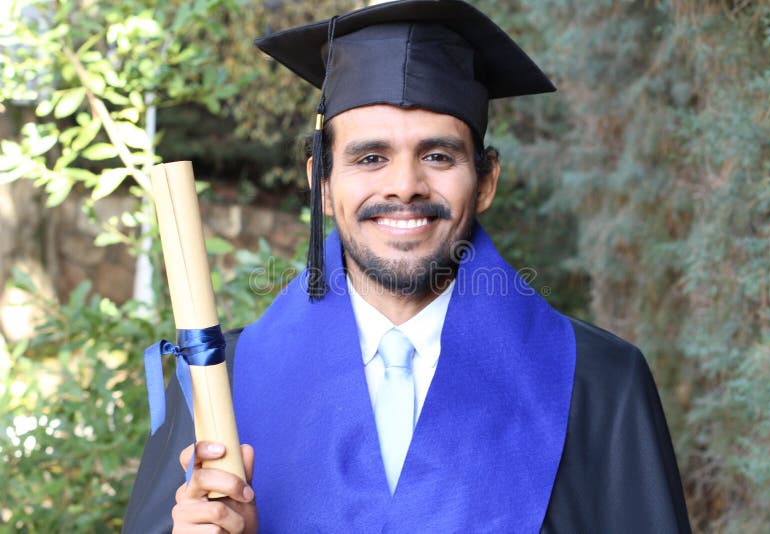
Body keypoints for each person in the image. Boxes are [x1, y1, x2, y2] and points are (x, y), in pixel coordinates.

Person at [124, 0, 692, 532]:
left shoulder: (597, 386)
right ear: (321, 182)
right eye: (370, 158)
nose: (404, 187)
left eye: (438, 156)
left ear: (486, 180)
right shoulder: (217, 386)